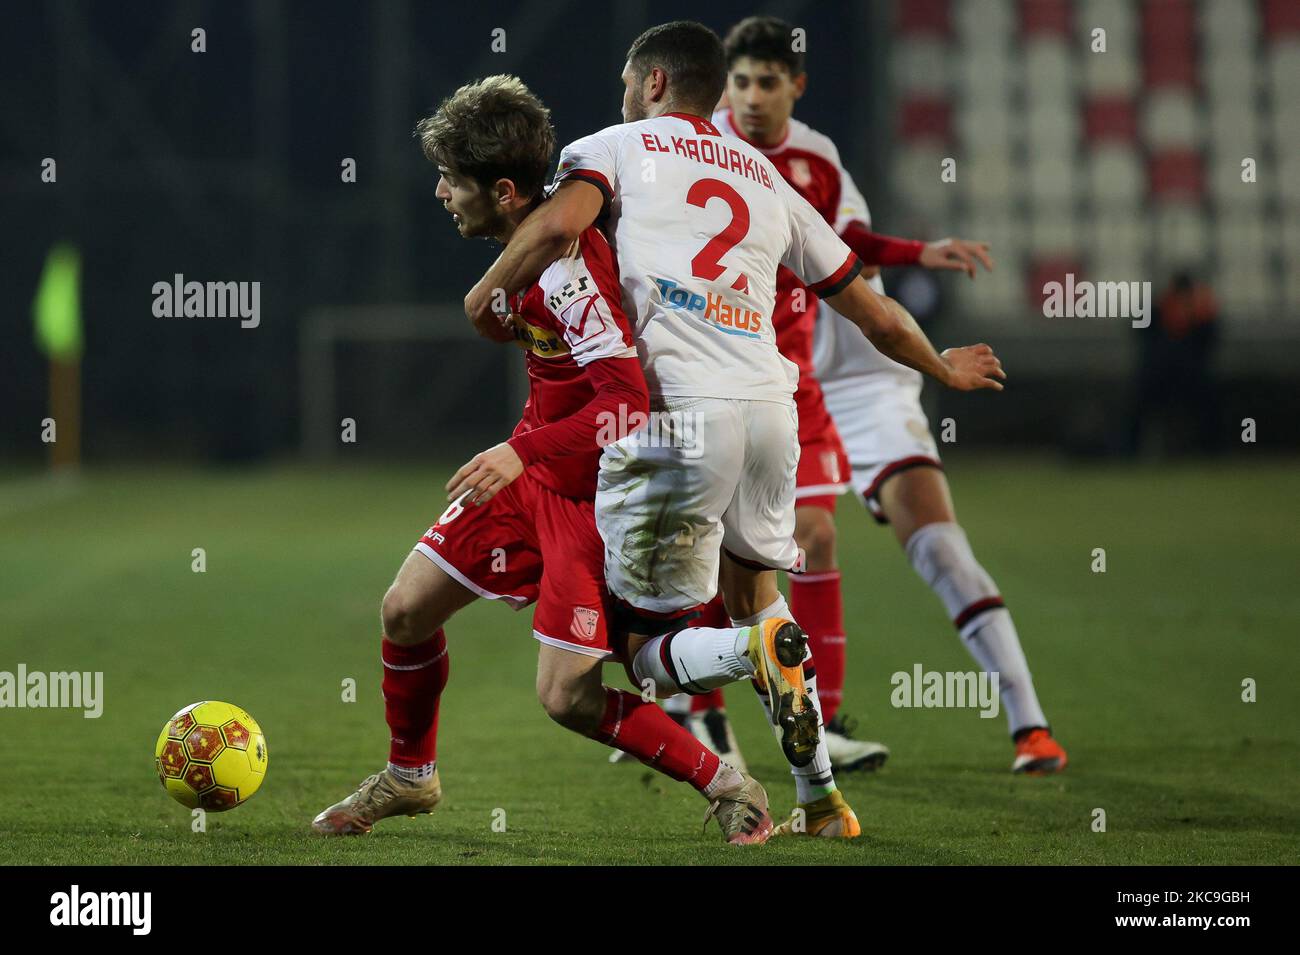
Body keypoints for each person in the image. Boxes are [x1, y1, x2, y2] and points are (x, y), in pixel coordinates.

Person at [464, 22, 1007, 837]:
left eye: (625, 79)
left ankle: (746, 661)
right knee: (760, 599)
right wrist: (941, 368)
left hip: (676, 419)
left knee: (647, 655)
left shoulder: (609, 144)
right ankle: (820, 797)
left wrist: (486, 297)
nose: (620, 93)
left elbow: (552, 228)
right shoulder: (768, 177)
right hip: (769, 413)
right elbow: (869, 307)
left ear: (652, 85)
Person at [313, 75, 776, 844]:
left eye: (450, 180)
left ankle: (730, 784)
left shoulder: (567, 269)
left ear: (500, 190)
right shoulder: (528, 255)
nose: (440, 194)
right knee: (404, 609)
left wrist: (517, 450)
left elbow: (624, 403)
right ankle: (409, 775)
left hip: (593, 498)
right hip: (535, 474)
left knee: (569, 697)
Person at [694, 16, 1065, 776]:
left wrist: (918, 254)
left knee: (938, 545)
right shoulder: (700, 146)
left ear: (797, 85)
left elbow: (845, 248)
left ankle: (1029, 723)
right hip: (765, 376)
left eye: (771, 80)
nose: (755, 97)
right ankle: (703, 703)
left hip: (860, 370)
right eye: (743, 80)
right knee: (752, 543)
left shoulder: (817, 159)